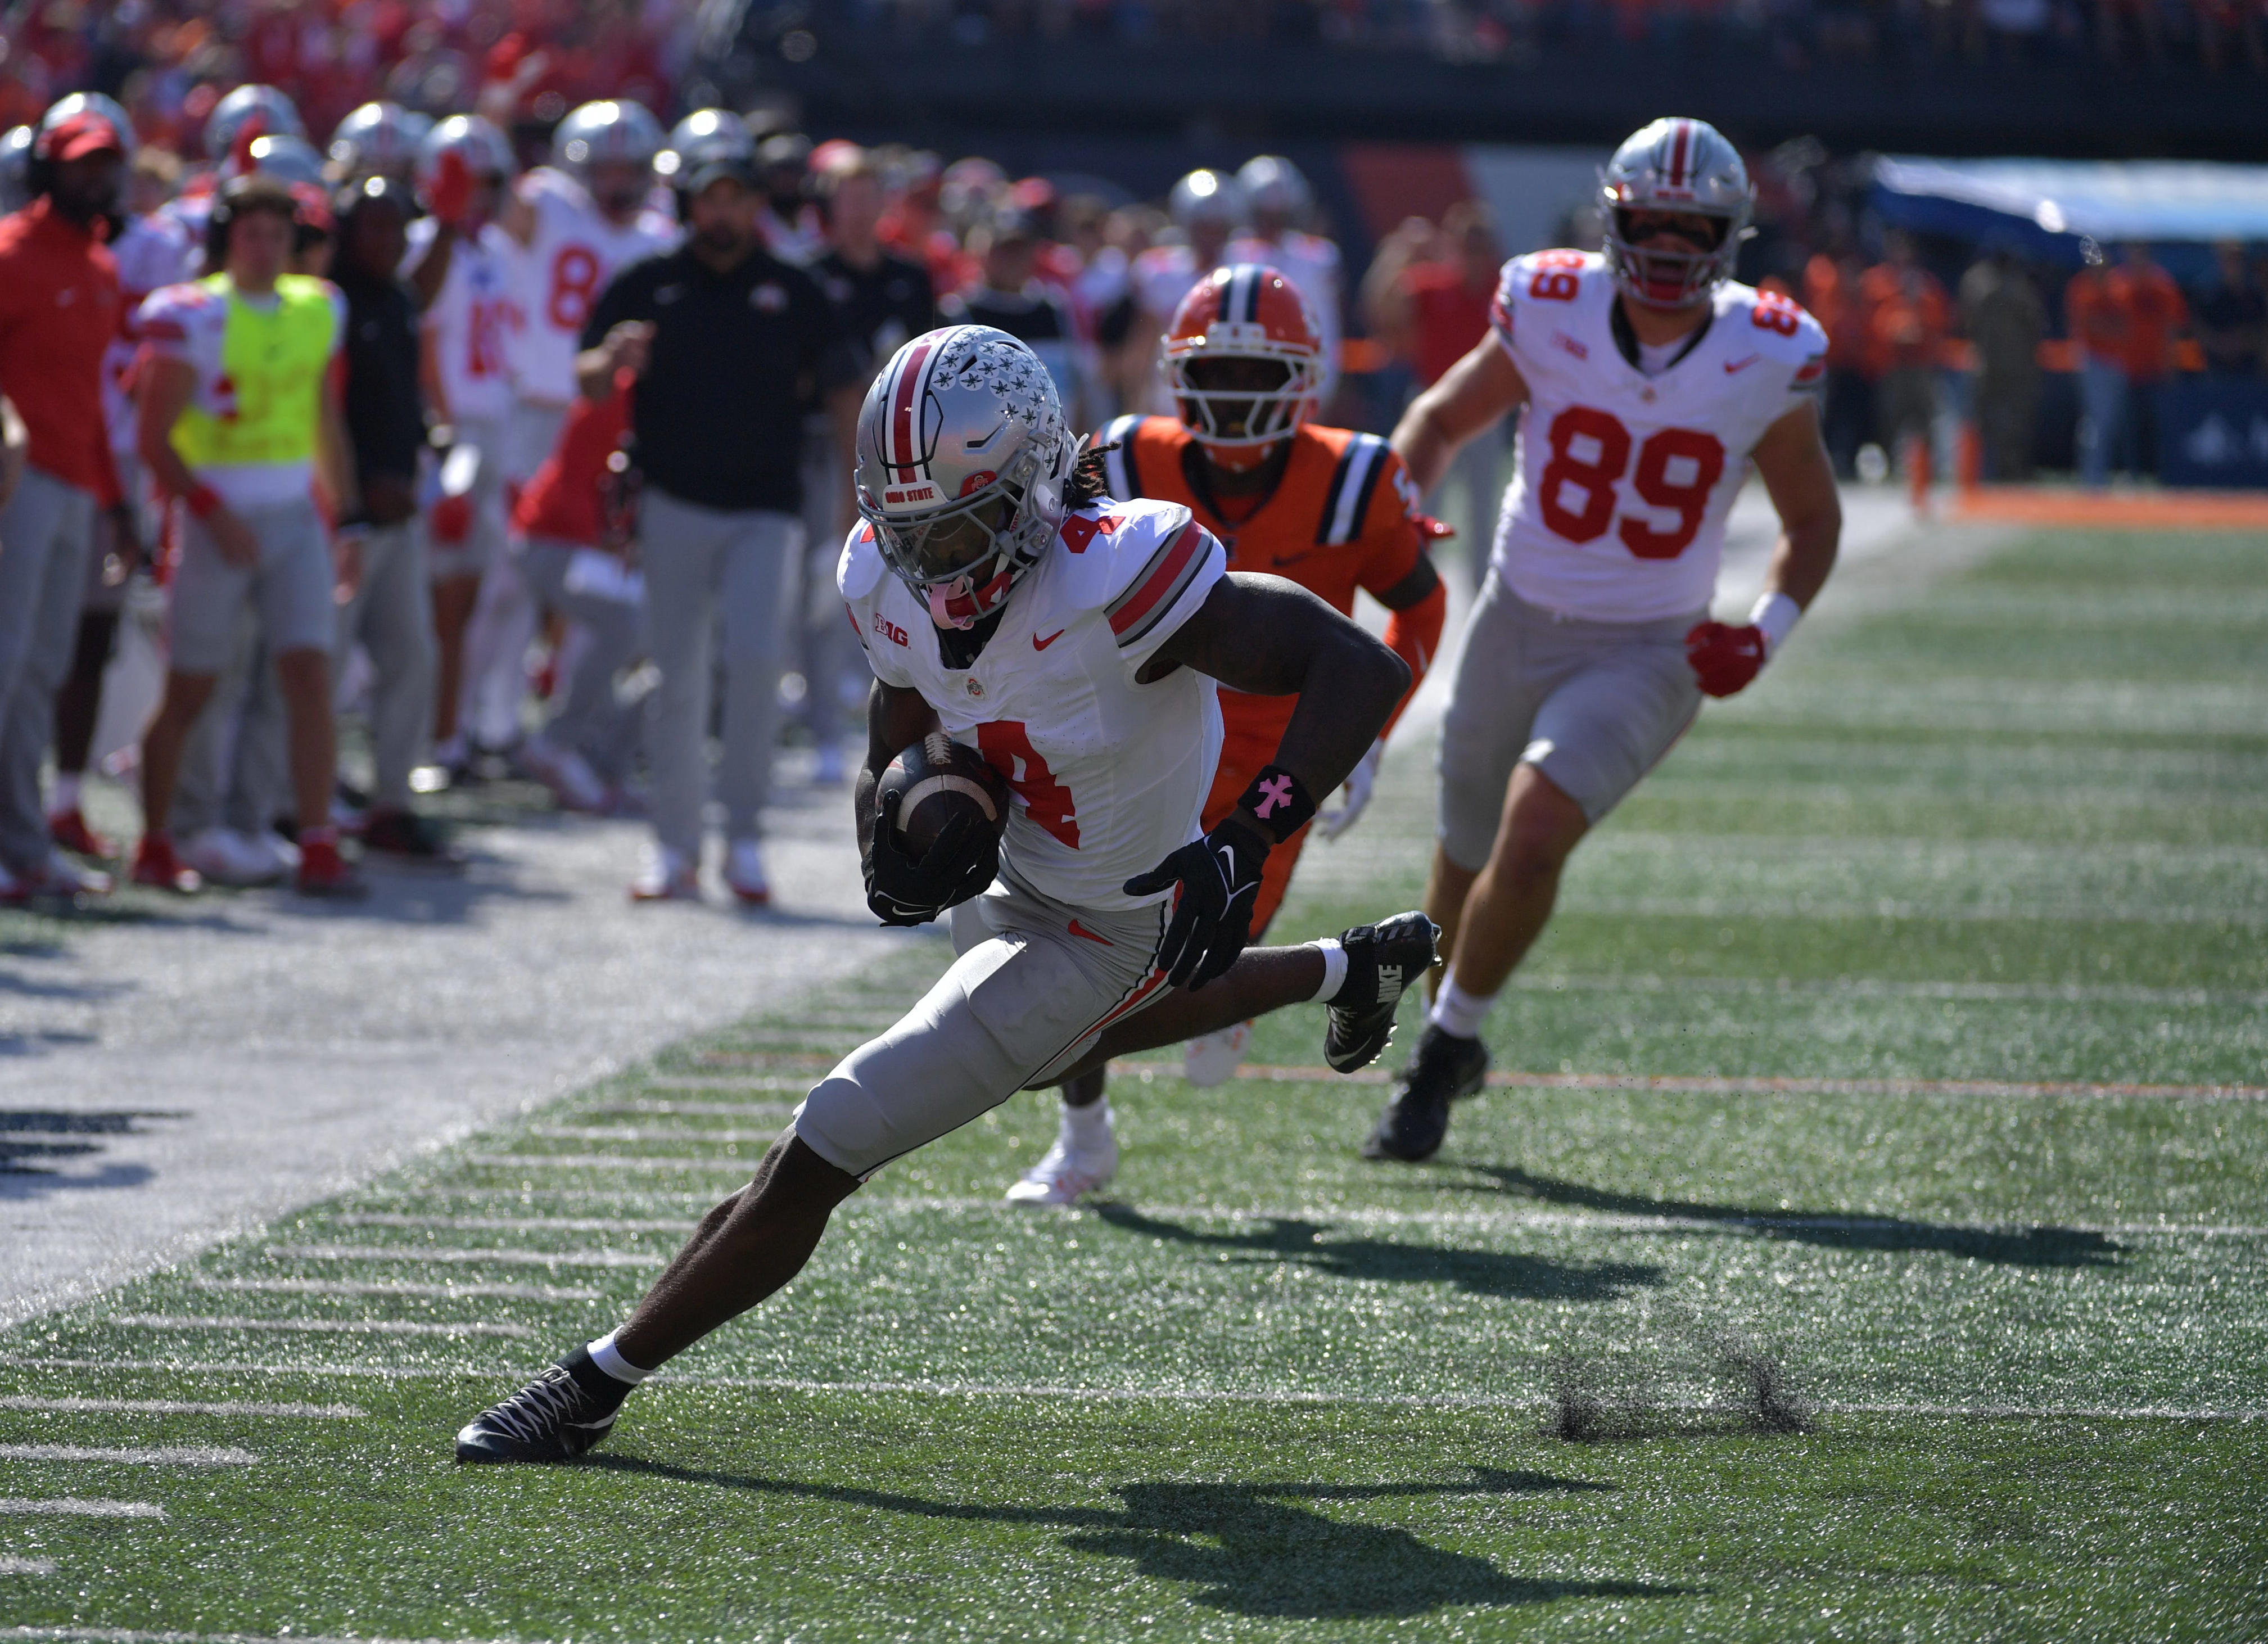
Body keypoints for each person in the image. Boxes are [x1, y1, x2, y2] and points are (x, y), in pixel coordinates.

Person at [451, 325, 1433, 1464]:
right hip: (1026, 881)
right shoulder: (881, 570)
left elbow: (1358, 665)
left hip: (1108, 924)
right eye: (909, 529)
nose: (932, 558)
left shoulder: (1122, 567)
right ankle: (1350, 966)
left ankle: (592, 1382)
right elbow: (901, 706)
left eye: (958, 525)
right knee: (1063, 1054)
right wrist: (886, 814)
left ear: (1025, 487)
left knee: (826, 1139)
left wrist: (1246, 839)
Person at [1371, 118, 1842, 1162]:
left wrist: (1762, 631)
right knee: (1459, 853)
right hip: (1515, 614)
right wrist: (1397, 499)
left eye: (1694, 225)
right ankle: (1451, 1014)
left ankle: (1443, 1050)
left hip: (1647, 642)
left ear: (1728, 234)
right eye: (1652, 222)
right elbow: (1443, 415)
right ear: (1612, 219)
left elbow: (1813, 519)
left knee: (1532, 830)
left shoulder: (1764, 348)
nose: (1670, 245)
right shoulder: (1549, 302)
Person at [972, 264, 1450, 1204]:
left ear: (1301, 379)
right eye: (1213, 375)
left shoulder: (1354, 476)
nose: (1230, 398)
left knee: (1184, 975)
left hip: (1277, 754)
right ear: (1175, 373)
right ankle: (1082, 1134)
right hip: (1136, 735)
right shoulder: (1118, 455)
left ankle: (1263, 985)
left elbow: (1418, 609)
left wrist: (1369, 735)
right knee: (1076, 945)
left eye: (1254, 377)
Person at [577, 120, 861, 904]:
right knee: (676, 675)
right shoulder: (648, 280)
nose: (725, 213)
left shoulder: (794, 286)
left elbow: (844, 389)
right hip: (671, 499)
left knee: (758, 663)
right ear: (688, 202)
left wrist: (849, 496)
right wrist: (611, 359)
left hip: (766, 507)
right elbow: (590, 377)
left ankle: (743, 836)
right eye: (712, 198)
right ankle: (673, 846)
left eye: (737, 197)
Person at [129, 173, 364, 898]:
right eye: (252, 233)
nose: (264, 249)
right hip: (213, 515)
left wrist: (345, 517)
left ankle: (317, 838)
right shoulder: (192, 314)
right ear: (228, 239)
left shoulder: (317, 307)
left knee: (309, 676)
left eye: (277, 235)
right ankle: (158, 839)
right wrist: (208, 508)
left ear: (296, 243)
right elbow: (153, 438)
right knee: (193, 685)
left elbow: (324, 418)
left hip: (292, 510)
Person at [447, 100, 673, 775]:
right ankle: (474, 723)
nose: (615, 181)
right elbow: (490, 204)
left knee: (592, 589)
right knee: (503, 583)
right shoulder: (546, 203)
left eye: (628, 168)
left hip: (607, 422)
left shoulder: (660, 236)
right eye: (602, 166)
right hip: (533, 411)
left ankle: (544, 731)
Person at [0, 96, 130, 904]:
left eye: (107, 162)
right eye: (84, 161)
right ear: (48, 165)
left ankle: (21, 840)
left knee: (43, 669)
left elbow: (93, 399)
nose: (98, 177)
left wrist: (117, 501)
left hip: (77, 482)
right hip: (16, 483)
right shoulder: (11, 253)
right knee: (6, 664)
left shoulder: (101, 266)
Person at [806, 149, 938, 783]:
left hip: (897, 456)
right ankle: (822, 724)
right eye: (847, 197)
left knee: (899, 585)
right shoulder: (808, 275)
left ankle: (891, 719)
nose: (858, 210)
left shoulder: (910, 278)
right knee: (823, 586)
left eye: (868, 196)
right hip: (818, 448)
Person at [329, 174, 449, 862]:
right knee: (324, 658)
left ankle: (391, 802)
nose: (387, 239)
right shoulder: (333, 299)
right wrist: (355, 490)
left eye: (396, 227)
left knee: (411, 657)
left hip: (399, 510)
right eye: (372, 226)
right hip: (347, 516)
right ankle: (299, 801)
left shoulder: (400, 297)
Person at [402, 112, 522, 778]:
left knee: (469, 597)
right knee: (428, 597)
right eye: (463, 184)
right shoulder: (426, 244)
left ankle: (449, 736)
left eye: (487, 184)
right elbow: (415, 328)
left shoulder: (495, 253)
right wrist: (444, 440)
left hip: (487, 432)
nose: (477, 197)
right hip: (444, 435)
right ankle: (422, 737)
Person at [1388, 202, 1506, 566]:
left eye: (1480, 245)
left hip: (1485, 409)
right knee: (1421, 506)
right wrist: (1399, 253)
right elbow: (1382, 312)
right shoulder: (1430, 283)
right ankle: (1415, 587)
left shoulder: (1503, 291)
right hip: (1433, 406)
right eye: (1467, 244)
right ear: (1453, 245)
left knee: (1483, 510)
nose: (1473, 254)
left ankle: (1480, 598)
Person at [940, 204, 1085, 425]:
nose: (1013, 260)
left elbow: (1077, 386)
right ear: (982, 253)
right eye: (1004, 250)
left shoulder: (1055, 308)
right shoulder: (958, 313)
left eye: (1020, 250)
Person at [1227, 156, 1344, 405]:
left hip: (1305, 368)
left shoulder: (1320, 256)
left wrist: (1334, 376)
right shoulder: (1232, 253)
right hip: (1245, 367)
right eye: (1264, 217)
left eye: (1279, 217)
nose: (1271, 227)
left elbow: (1332, 322)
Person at [1858, 231, 1950, 486]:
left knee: (1924, 419)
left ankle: (1926, 471)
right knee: (1889, 419)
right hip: (1891, 364)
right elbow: (1866, 321)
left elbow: (1940, 320)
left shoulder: (1925, 285)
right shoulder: (1877, 282)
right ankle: (1886, 468)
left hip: (1920, 365)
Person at [1958, 246, 2046, 482]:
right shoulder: (1979, 279)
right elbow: (1971, 313)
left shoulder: (2021, 286)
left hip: (2017, 368)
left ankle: (2014, 473)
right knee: (1982, 422)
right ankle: (1982, 474)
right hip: (1987, 364)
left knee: (2016, 425)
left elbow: (2036, 322)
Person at [2192, 240, 2263, 377]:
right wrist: (2219, 345)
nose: (2233, 266)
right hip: (2215, 367)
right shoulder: (2208, 296)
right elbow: (2198, 327)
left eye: (2237, 260)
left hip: (2250, 369)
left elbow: (2260, 329)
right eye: (2228, 260)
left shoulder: (2254, 297)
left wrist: (2243, 341)